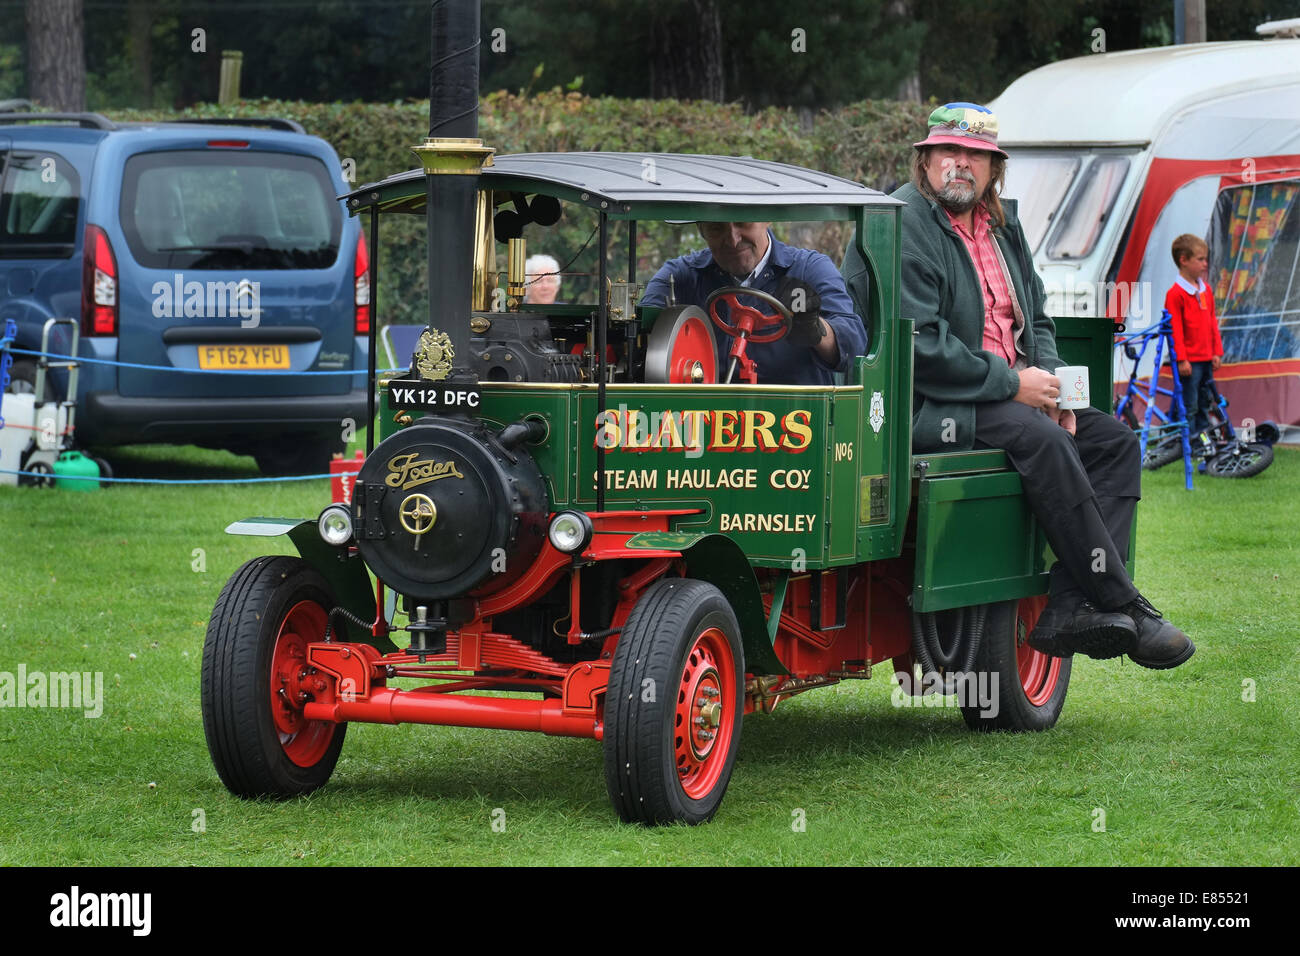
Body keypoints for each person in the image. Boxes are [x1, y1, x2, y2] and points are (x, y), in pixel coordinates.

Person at [842, 102, 1193, 669]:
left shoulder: (1002, 222)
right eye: (949, 153)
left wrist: (1056, 393)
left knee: (1115, 442)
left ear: (993, 167)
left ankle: (1071, 604)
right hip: (931, 407)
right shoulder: (903, 221)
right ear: (926, 160)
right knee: (1044, 440)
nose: (962, 165)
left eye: (976, 156)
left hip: (1014, 396)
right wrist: (1012, 385)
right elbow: (920, 348)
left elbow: (1041, 320)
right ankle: (1123, 602)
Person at [640, 221, 867, 385]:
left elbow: (854, 347)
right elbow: (640, 336)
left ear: (767, 218)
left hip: (796, 432)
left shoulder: (809, 269)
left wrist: (813, 326)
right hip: (701, 430)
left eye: (742, 222)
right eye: (717, 227)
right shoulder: (681, 277)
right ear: (701, 230)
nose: (733, 239)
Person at [1164, 234, 1224, 439]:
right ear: (1184, 260)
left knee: (1205, 402)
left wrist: (1217, 351)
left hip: (1207, 358)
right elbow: (1175, 330)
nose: (1205, 264)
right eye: (1200, 259)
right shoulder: (1176, 293)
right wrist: (1181, 358)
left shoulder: (1205, 289)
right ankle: (1188, 443)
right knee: (1190, 404)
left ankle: (1203, 439)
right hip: (1190, 362)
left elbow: (1212, 321)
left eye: (1205, 259)